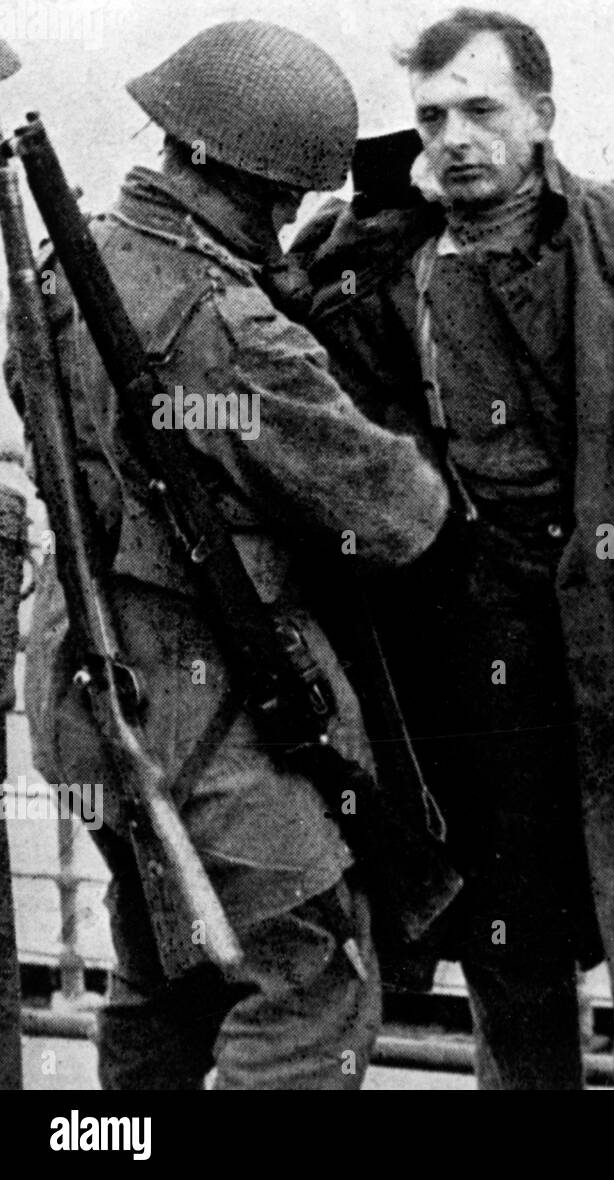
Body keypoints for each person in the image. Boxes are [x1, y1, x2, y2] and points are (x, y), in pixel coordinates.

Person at [291, 8, 614, 1089]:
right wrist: (336, 264)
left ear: (541, 116)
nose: (456, 138)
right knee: (508, 936)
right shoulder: (397, 263)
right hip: (481, 664)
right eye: (432, 116)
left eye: (483, 110)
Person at [15, 20, 451, 1089]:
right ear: (263, 190)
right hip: (203, 710)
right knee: (313, 981)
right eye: (287, 203)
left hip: (84, 687)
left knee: (172, 967)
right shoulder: (235, 327)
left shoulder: (65, 276)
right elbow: (399, 513)